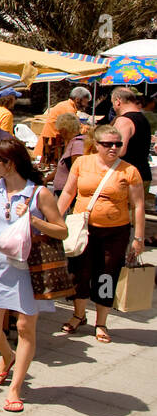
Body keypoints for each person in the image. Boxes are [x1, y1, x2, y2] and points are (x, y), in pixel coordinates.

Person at [0, 139, 68, 413]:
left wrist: (35, 220)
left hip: (28, 270)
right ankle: (7, 356)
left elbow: (62, 231)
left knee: (26, 328)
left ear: (9, 163)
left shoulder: (39, 194)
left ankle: (15, 388)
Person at [55, 125, 146, 343]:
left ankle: (101, 322)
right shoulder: (82, 163)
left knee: (106, 275)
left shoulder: (129, 171)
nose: (113, 148)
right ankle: (78, 315)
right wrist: (55, 222)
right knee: (79, 272)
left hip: (115, 233)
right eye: (108, 144)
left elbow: (138, 205)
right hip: (83, 229)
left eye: (118, 144)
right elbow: (68, 192)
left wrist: (139, 238)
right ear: (96, 144)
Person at [34, 86, 93, 160]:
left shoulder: (66, 105)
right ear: (77, 99)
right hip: (49, 149)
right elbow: (76, 129)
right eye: (86, 102)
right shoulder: (68, 108)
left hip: (53, 147)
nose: (86, 105)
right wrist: (91, 130)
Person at [110, 88, 153, 186]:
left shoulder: (124, 120)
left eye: (113, 104)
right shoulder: (143, 118)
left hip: (127, 177)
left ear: (118, 102)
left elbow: (119, 150)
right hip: (143, 174)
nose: (114, 107)